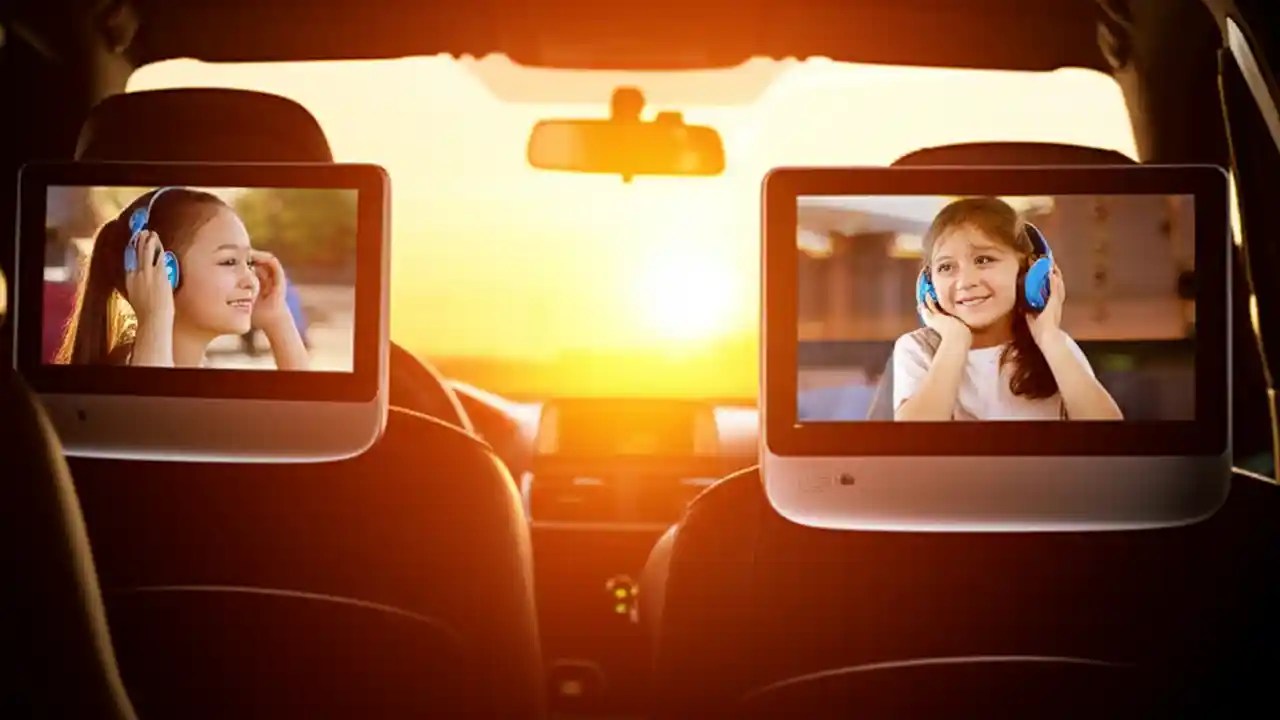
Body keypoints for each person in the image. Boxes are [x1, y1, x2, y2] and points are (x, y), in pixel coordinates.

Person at [892, 197, 1123, 421]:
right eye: (946, 267)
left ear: (1026, 273)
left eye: (983, 260)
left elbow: (1110, 438)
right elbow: (912, 441)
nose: (966, 282)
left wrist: (1049, 338)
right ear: (928, 286)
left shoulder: (1053, 345)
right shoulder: (919, 348)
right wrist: (955, 340)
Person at [56, 187, 309, 369]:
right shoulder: (124, 379)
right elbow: (149, 426)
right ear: (165, 272)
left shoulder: (201, 374)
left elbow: (307, 426)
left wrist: (277, 319)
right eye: (230, 261)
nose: (251, 281)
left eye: (250, 262)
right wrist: (154, 318)